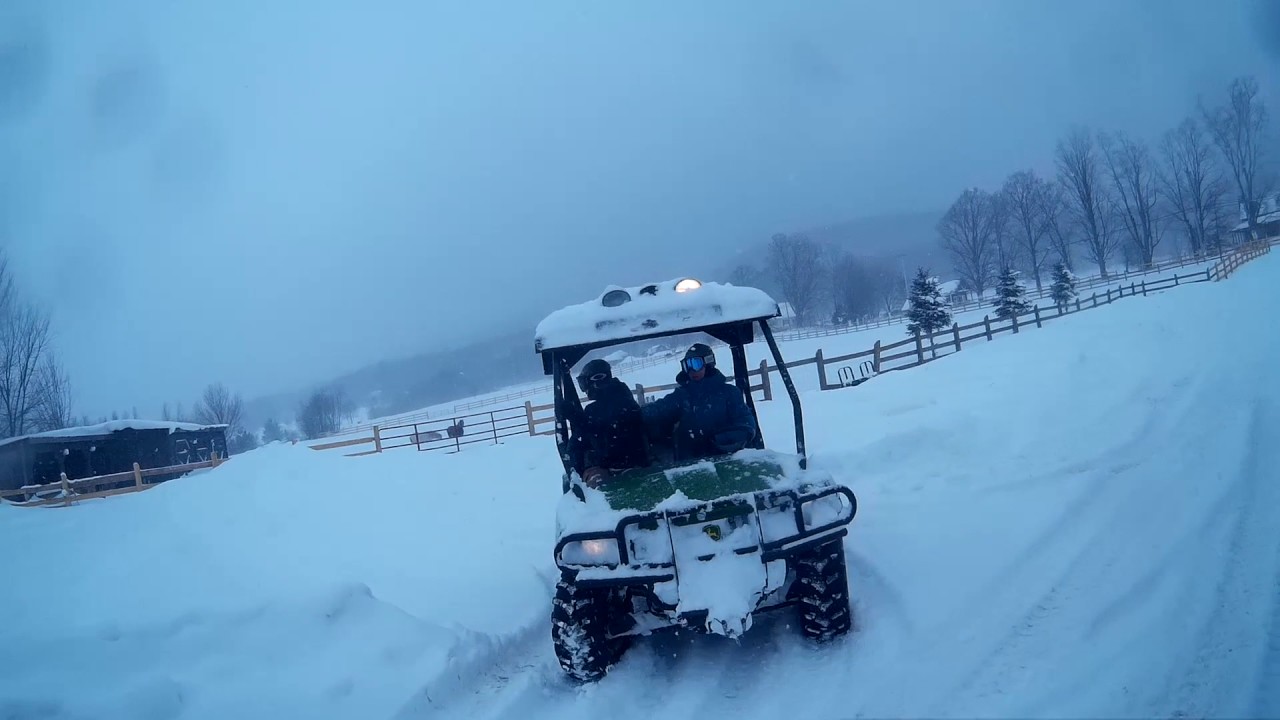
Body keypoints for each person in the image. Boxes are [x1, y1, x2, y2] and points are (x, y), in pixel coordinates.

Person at [642, 343, 757, 462]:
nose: (691, 371)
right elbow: (659, 409)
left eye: (696, 364)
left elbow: (746, 425)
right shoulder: (682, 396)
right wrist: (636, 414)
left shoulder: (729, 393)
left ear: (708, 363)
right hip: (691, 465)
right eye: (687, 366)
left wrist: (718, 441)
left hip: (726, 461)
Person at [566, 358, 648, 486]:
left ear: (596, 381)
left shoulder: (610, 407)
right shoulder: (623, 399)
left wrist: (578, 419)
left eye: (584, 384)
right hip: (624, 464)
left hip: (619, 468)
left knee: (593, 486)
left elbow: (596, 430)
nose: (585, 389)